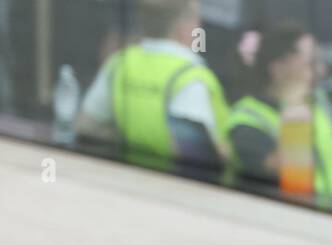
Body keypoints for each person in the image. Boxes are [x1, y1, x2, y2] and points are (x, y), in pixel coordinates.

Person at [75, 0, 230, 172]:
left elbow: (86, 128)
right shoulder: (190, 78)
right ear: (184, 26)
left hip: (132, 178)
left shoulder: (120, 64)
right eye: (196, 19)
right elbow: (197, 160)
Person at [225, 23, 332, 199]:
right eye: (311, 64)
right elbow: (296, 184)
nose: (321, 72)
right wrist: (294, 108)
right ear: (278, 68)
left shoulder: (316, 108)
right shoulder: (247, 122)